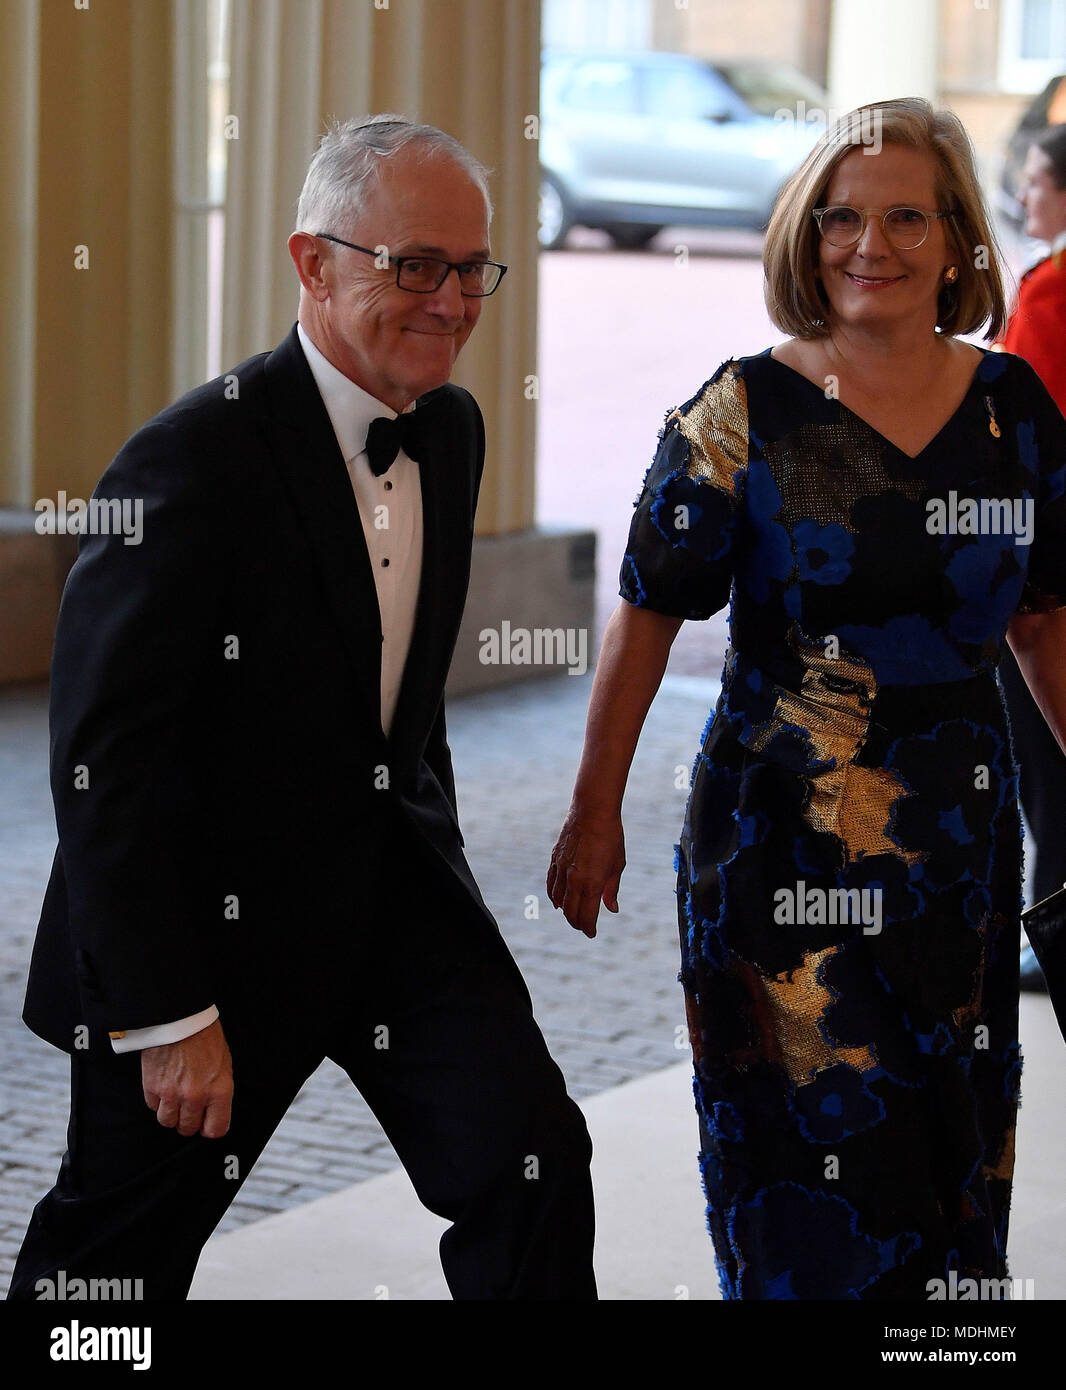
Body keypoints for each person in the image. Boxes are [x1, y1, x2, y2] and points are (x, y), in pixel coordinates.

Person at [9, 115, 596, 1302]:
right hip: (205, 936)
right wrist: (167, 1011)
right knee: (109, 1272)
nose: (449, 301)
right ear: (313, 262)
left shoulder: (452, 428)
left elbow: (402, 704)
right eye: (411, 265)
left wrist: (443, 880)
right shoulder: (187, 466)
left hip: (396, 904)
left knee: (529, 1162)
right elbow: (104, 766)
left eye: (469, 268)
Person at [548, 98, 1066, 1299]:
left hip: (959, 852)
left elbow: (1041, 621)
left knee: (952, 1171)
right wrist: (593, 810)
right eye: (839, 218)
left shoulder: (1014, 412)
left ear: (955, 239)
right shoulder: (738, 413)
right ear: (803, 233)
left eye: (902, 216)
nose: (866, 244)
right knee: (805, 1183)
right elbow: (645, 612)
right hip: (778, 852)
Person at [994, 124, 1066, 988]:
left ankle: (1054, 924)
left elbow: (1031, 439)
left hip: (1048, 558)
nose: (1029, 196)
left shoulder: (1050, 291)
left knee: (1046, 768)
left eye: (1041, 182)